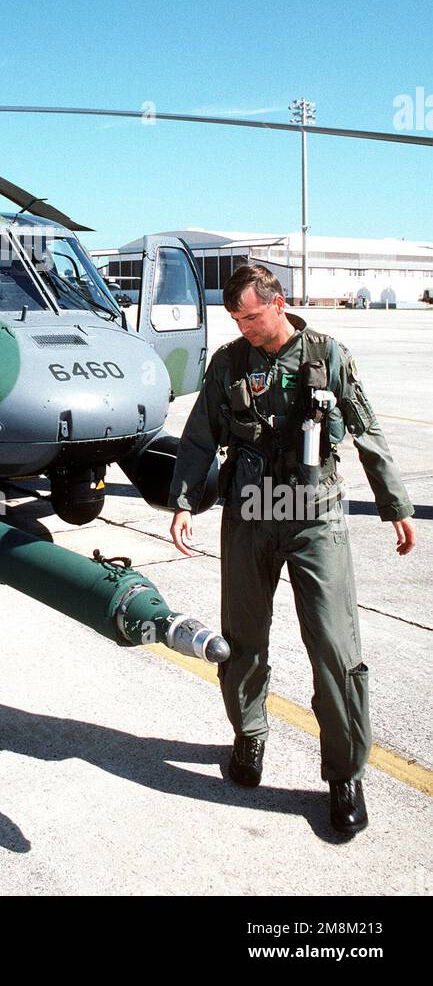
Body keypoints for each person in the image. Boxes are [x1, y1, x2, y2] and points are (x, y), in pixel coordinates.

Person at [168, 263, 416, 834]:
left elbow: (366, 431)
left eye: (252, 316)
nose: (244, 326)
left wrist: (395, 505)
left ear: (280, 303)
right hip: (250, 514)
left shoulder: (329, 356)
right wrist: (183, 501)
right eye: (235, 317)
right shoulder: (228, 363)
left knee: (333, 644)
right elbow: (201, 435)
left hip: (314, 517)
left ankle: (344, 774)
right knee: (243, 639)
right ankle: (249, 736)